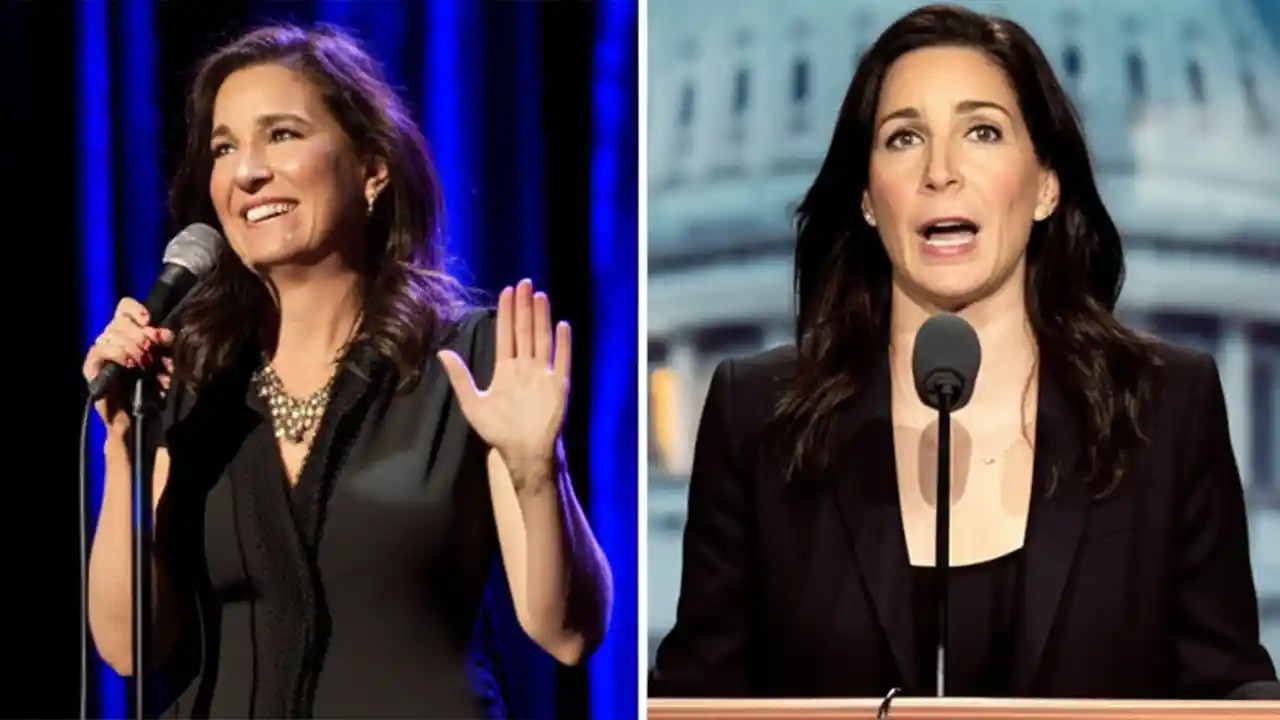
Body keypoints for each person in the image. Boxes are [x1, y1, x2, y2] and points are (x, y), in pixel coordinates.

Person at [649, 2, 1279, 701]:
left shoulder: (1165, 411)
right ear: (865, 198)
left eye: (982, 131)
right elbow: (697, 697)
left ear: (1045, 185)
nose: (940, 171)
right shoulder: (757, 417)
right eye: (902, 138)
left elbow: (1230, 690)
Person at [83, 23, 612, 718]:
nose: (246, 172)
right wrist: (122, 452)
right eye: (223, 146)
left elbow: (567, 634)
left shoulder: (465, 363)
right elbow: (128, 650)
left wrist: (537, 471)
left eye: (282, 135)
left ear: (372, 168)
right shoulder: (193, 382)